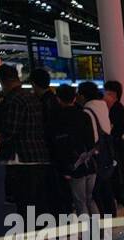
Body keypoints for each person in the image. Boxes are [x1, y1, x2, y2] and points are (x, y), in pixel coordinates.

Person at [0, 63, 51, 226]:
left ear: (2, 81)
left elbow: (11, 130)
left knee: (25, 203)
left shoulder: (13, 99)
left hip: (22, 158)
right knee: (39, 202)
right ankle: (43, 238)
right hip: (39, 155)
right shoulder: (32, 97)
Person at [46, 84, 97, 216]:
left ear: (58, 99)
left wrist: (64, 168)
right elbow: (91, 140)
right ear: (75, 98)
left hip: (74, 166)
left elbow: (59, 146)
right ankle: (100, 232)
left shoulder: (56, 118)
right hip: (90, 162)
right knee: (90, 199)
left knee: (80, 202)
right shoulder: (84, 115)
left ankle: (88, 234)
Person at [78, 81, 115, 215]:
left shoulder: (87, 110)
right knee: (106, 188)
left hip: (97, 154)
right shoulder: (102, 106)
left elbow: (93, 136)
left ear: (83, 95)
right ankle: (112, 215)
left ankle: (102, 220)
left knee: (95, 192)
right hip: (107, 152)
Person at [103, 81, 124, 210]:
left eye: (108, 92)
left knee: (119, 172)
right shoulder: (115, 107)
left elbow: (120, 129)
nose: (105, 95)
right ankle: (121, 197)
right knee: (118, 171)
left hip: (117, 146)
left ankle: (123, 198)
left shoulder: (116, 108)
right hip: (117, 145)